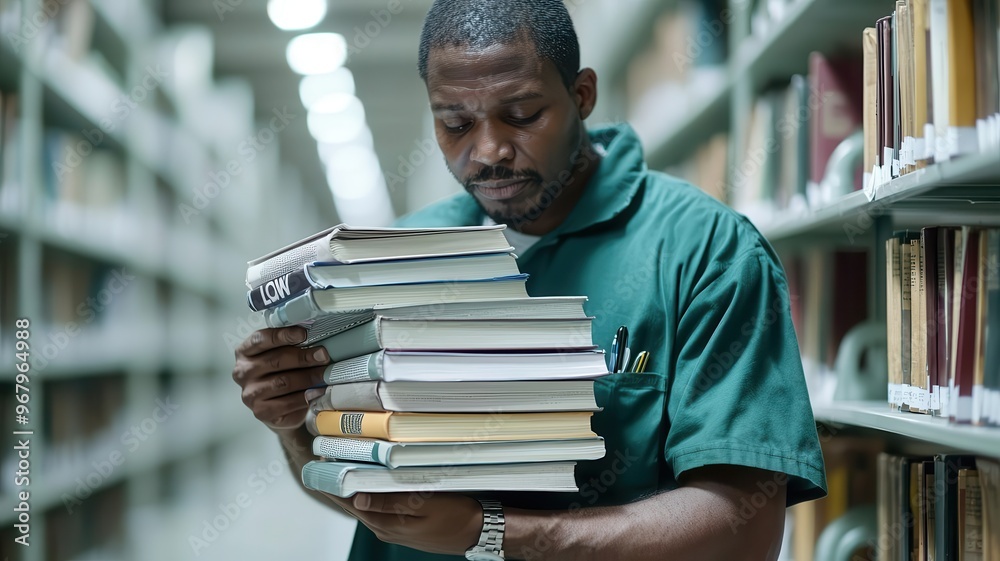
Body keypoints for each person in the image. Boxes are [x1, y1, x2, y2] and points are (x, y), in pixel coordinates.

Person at [231, 1, 828, 559]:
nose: (488, 151)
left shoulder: (707, 252)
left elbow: (745, 527)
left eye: (522, 116)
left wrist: (489, 532)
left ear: (583, 95)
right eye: (455, 123)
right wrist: (294, 430)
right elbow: (361, 488)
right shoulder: (394, 261)